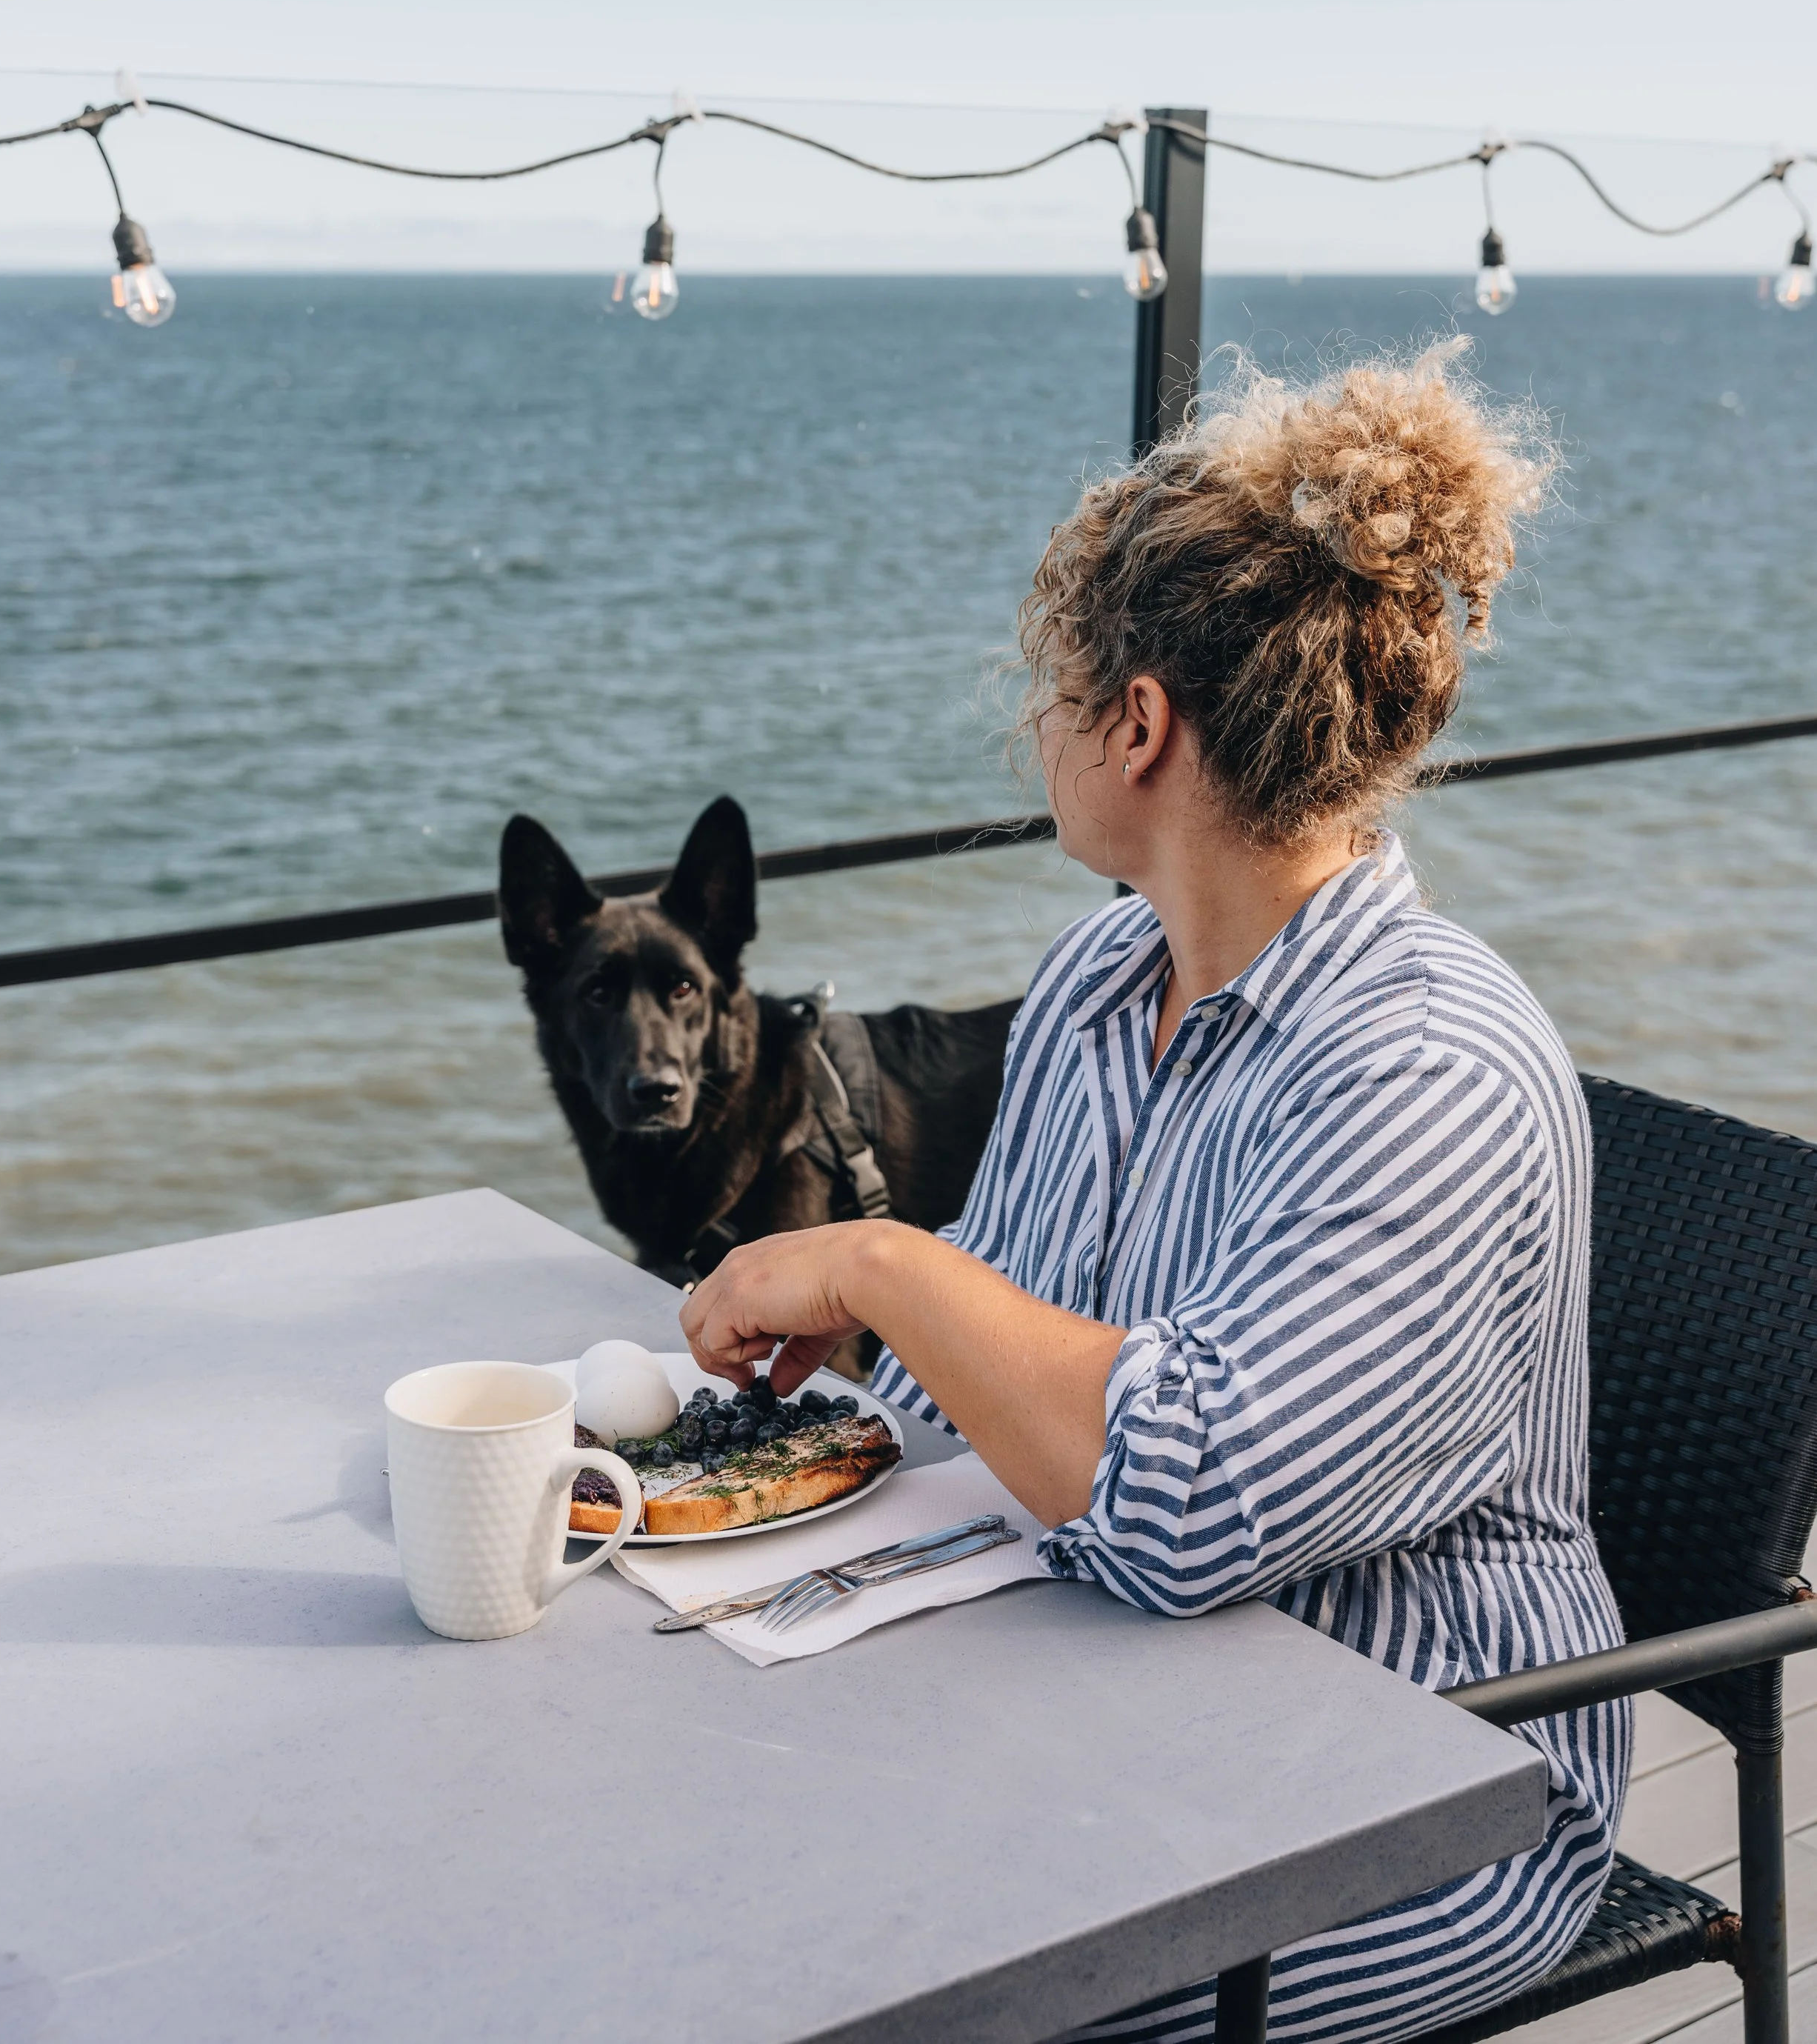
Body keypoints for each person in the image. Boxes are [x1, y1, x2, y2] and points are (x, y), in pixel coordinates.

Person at [681, 344, 1629, 2044]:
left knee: (884, 1990)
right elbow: (1012, 1374)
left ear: (1138, 723)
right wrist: (846, 1347)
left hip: (1419, 1774)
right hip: (1107, 1694)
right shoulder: (1106, 976)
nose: (1029, 727)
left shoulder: (1421, 1070)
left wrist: (880, 1263)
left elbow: (1177, 1506)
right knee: (706, 1861)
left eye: (1053, 690)